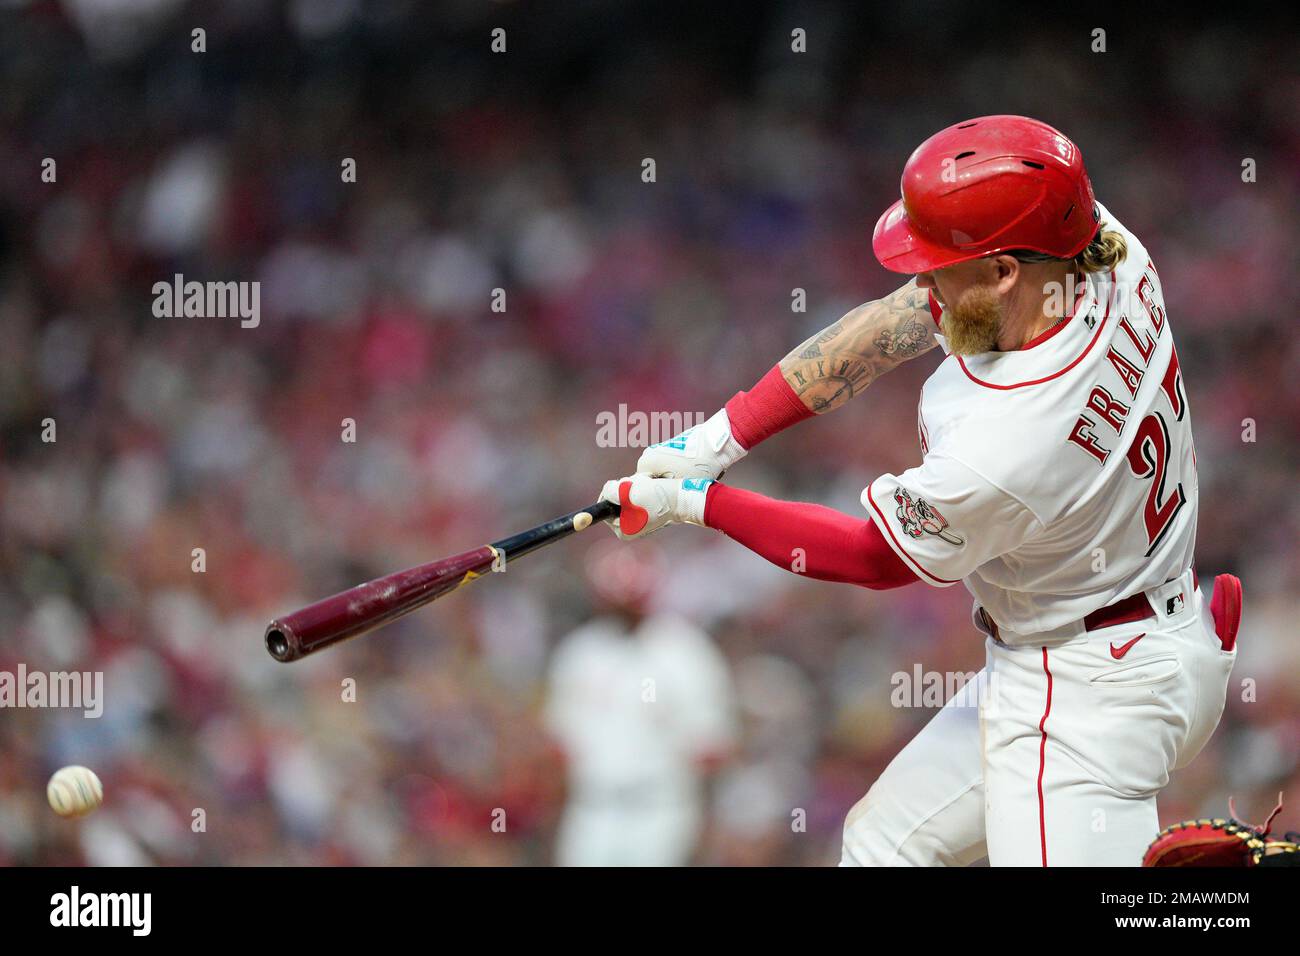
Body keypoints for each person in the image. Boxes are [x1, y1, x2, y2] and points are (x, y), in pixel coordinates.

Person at [595, 115, 1241, 866]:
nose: (920, 278)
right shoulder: (1100, 253)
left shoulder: (1016, 436)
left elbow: (873, 558)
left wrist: (695, 504)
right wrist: (722, 437)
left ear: (1003, 271)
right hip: (1139, 634)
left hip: (1090, 698)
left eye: (938, 262)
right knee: (882, 849)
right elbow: (894, 326)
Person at [544, 540, 736, 866]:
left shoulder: (684, 652)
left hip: (659, 806)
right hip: (593, 805)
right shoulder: (582, 652)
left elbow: (713, 747)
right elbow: (559, 742)